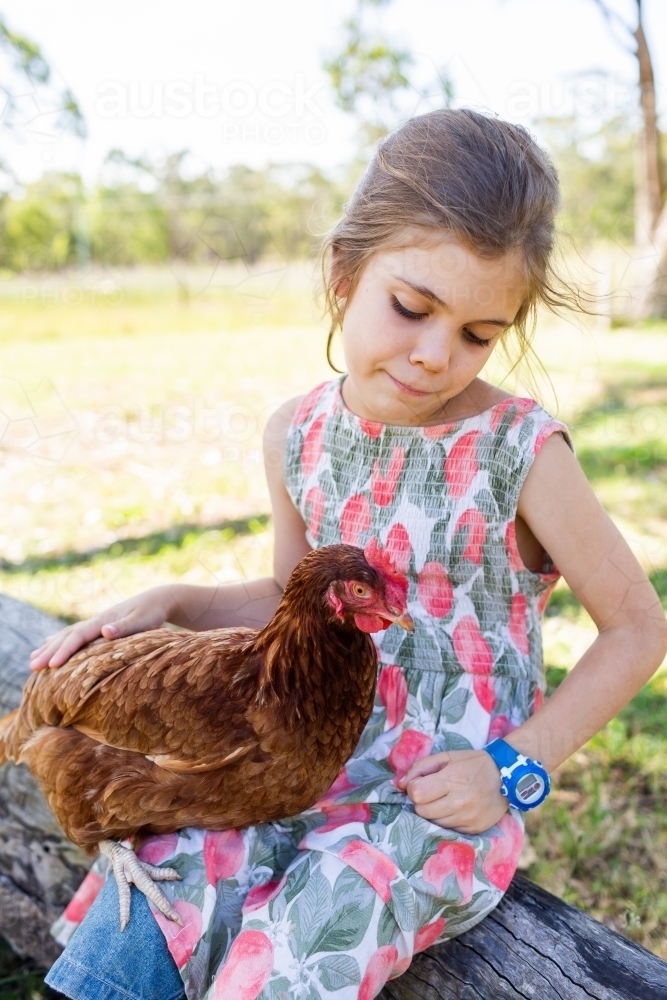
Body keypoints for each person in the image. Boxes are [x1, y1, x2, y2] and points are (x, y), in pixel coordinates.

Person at [33, 109, 666, 1000]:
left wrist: (515, 767)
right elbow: (290, 604)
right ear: (343, 274)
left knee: (303, 935)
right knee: (171, 874)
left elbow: (637, 629)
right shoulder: (297, 434)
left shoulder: (517, 451)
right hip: (287, 761)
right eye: (411, 307)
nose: (437, 354)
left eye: (480, 332)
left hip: (433, 804)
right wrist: (176, 599)